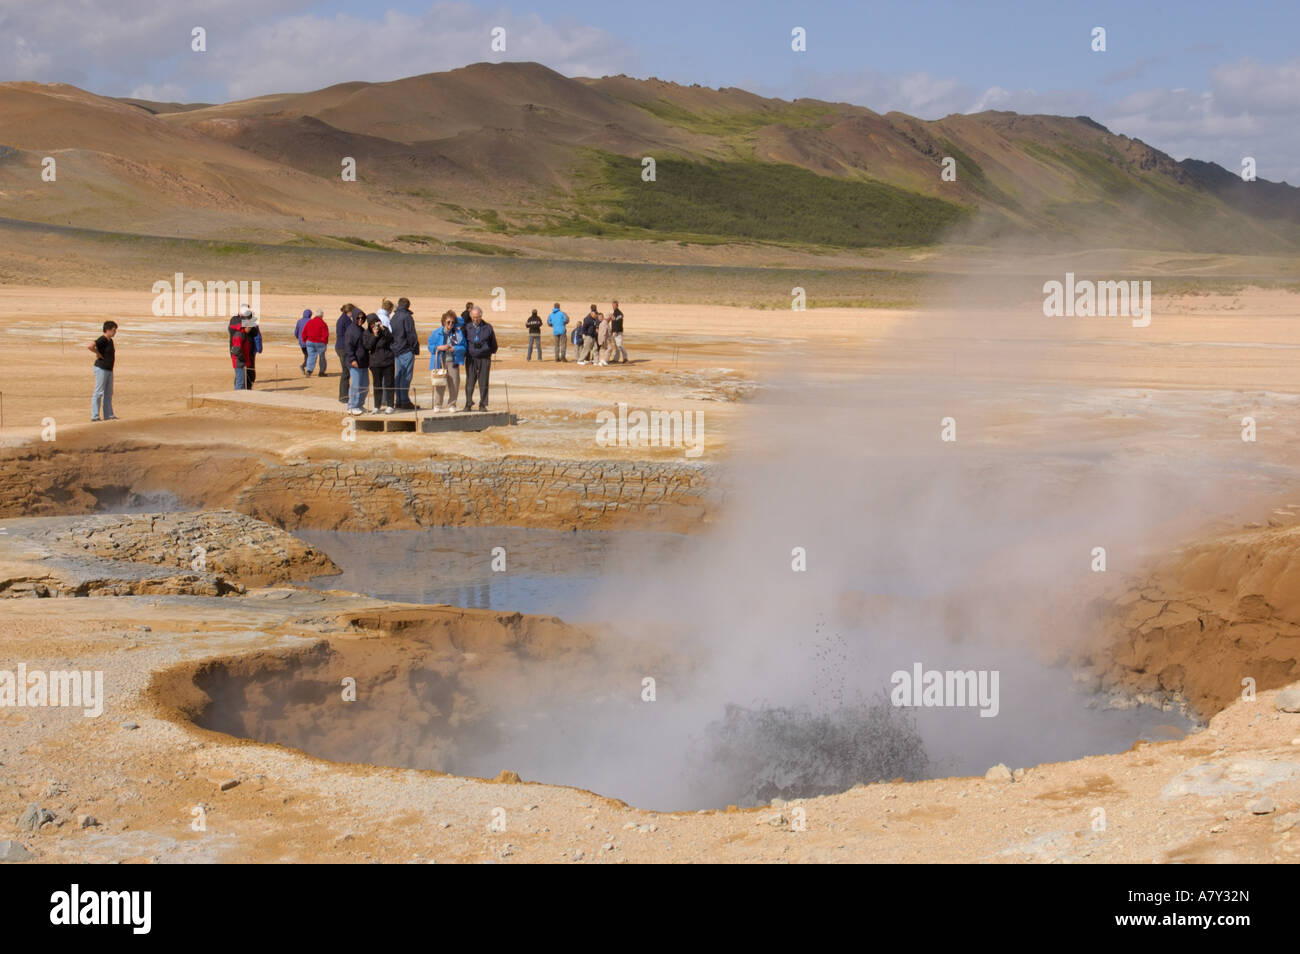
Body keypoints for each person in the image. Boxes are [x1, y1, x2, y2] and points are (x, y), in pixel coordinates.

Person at [428, 310, 465, 412]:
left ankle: (452, 404)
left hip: (453, 360)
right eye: (448, 322)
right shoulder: (436, 333)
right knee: (439, 382)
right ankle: (437, 404)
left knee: (454, 383)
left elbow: (463, 347)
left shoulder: (458, 333)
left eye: (453, 322)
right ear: (444, 322)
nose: (450, 324)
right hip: (440, 361)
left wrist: (455, 349)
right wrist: (439, 347)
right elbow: (430, 346)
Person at [463, 306, 498, 411]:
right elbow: (463, 342)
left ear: (481, 316)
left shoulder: (488, 327)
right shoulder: (466, 327)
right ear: (471, 316)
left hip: (484, 358)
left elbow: (494, 344)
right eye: (473, 317)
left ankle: (483, 404)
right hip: (471, 358)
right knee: (470, 381)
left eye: (478, 317)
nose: (475, 319)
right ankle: (468, 403)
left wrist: (488, 351)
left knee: (483, 381)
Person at [390, 297, 419, 409]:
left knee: (399, 375)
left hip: (396, 350)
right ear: (408, 306)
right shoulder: (407, 317)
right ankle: (404, 400)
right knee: (406, 375)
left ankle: (399, 400)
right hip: (406, 350)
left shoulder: (394, 317)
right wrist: (413, 347)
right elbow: (411, 334)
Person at [365, 315, 396, 413]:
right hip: (375, 363)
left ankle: (390, 405)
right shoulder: (367, 333)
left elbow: (391, 339)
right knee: (377, 385)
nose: (375, 326)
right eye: (372, 324)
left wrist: (383, 329)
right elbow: (368, 346)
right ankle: (377, 406)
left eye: (376, 323)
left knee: (389, 383)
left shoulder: (384, 330)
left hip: (388, 361)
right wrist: (374, 335)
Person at [89, 320, 118, 421]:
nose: (115, 332)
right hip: (101, 368)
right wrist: (97, 353)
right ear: (108, 330)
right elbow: (90, 345)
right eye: (114, 330)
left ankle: (108, 415)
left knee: (108, 393)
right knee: (99, 392)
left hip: (109, 369)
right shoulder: (103, 339)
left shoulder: (110, 341)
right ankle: (95, 416)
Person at [343, 309, 370, 415]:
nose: (360, 320)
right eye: (358, 318)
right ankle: (352, 406)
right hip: (355, 363)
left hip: (363, 362)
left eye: (362, 318)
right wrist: (352, 359)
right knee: (356, 385)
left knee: (364, 385)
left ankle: (359, 404)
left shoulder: (361, 329)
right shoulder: (351, 330)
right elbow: (348, 347)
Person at [335, 305, 356, 401]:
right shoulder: (346, 320)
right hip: (344, 348)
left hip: (341, 347)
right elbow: (351, 333)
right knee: (346, 372)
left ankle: (344, 395)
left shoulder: (342, 318)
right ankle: (343, 396)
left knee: (346, 372)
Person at [229, 309, 252, 390]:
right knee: (240, 383)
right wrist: (243, 360)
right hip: (239, 362)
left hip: (240, 362)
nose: (250, 329)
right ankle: (237, 399)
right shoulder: (239, 334)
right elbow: (236, 350)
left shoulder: (243, 333)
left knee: (241, 381)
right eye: (249, 327)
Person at [302, 309, 330, 376]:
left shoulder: (310, 322)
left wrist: (305, 340)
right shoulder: (323, 324)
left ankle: (309, 371)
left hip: (310, 342)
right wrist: (325, 342)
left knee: (311, 356)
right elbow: (326, 334)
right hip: (320, 342)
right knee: (322, 357)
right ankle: (321, 372)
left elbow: (304, 333)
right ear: (322, 316)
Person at [243, 312, 262, 389]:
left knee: (245, 367)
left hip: (244, 350)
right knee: (250, 366)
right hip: (250, 350)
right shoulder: (253, 325)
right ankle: (249, 383)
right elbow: (257, 338)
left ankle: (247, 383)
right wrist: (259, 348)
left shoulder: (241, 324)